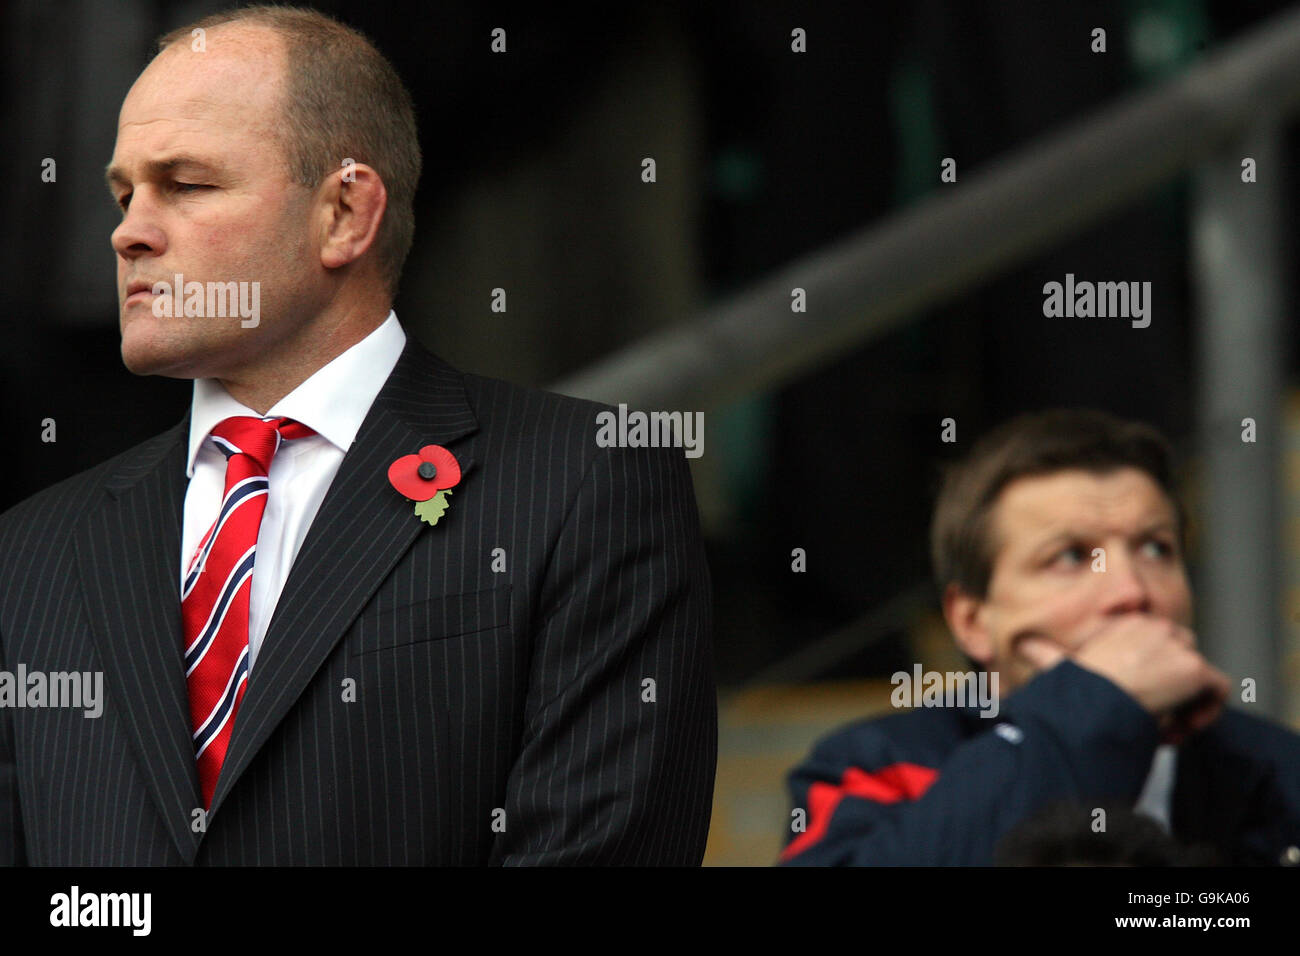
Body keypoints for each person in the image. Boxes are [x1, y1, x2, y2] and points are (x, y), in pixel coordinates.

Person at [0, 6, 715, 865]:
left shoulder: (583, 481)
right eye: (124, 193)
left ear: (344, 212)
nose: (128, 231)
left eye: (186, 184)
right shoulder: (32, 551)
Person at [780, 408, 1300, 866]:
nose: (1132, 591)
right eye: (1071, 556)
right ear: (972, 621)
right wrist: (1092, 707)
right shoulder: (874, 765)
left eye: (1155, 548)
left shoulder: (1277, 770)